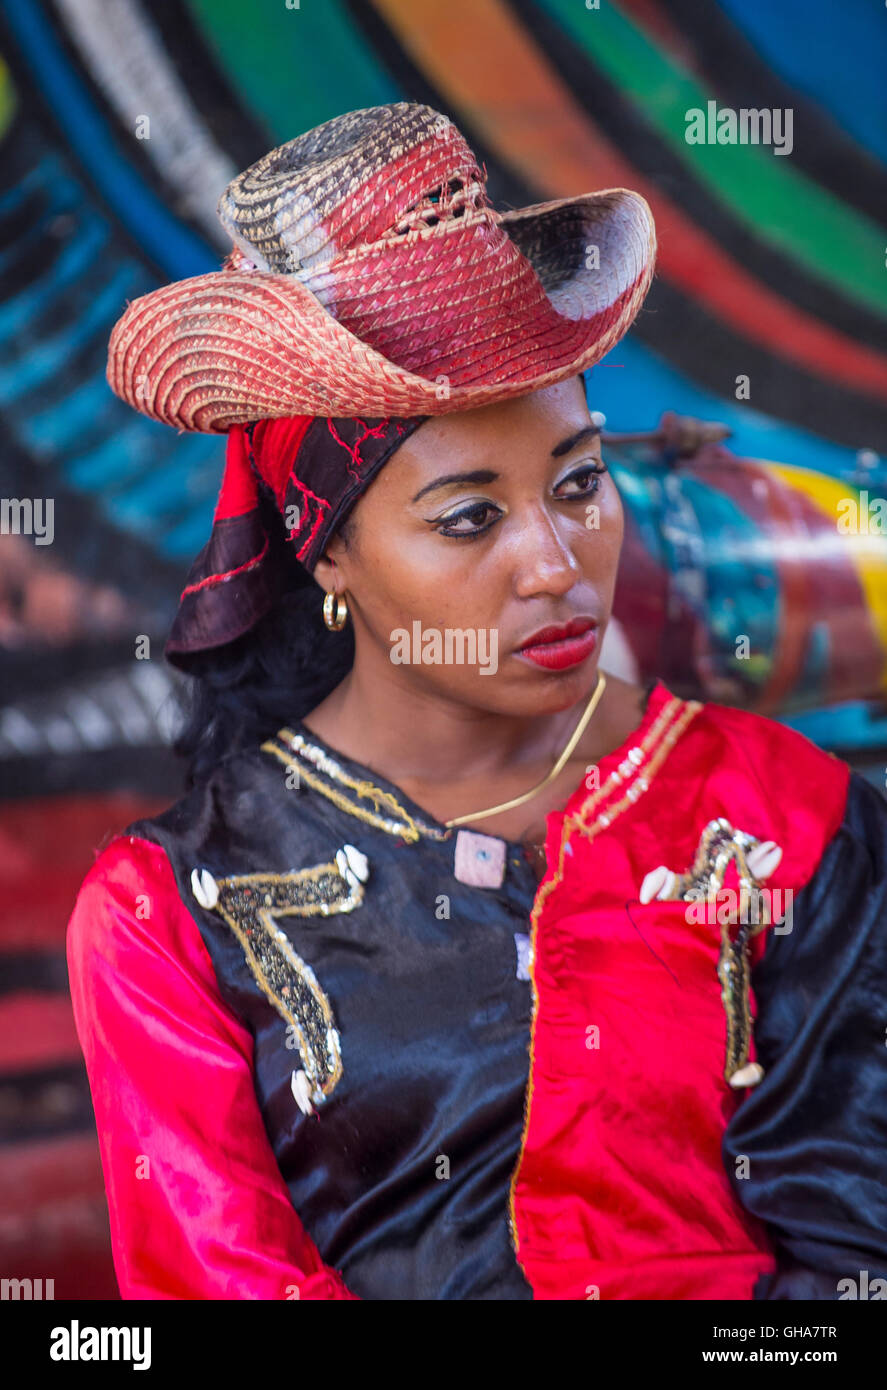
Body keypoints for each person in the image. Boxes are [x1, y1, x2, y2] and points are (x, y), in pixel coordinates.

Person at [67, 102, 887, 1301]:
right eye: (469, 516)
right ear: (326, 555)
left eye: (578, 482)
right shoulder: (164, 921)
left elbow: (851, 1246)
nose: (554, 560)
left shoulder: (789, 821)